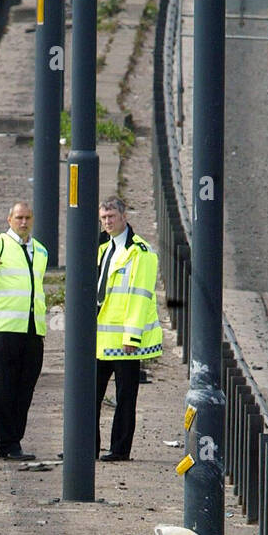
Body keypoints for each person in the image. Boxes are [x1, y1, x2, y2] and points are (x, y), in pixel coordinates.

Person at [0, 200, 48, 460]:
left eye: (27, 218)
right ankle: (7, 444)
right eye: (18, 218)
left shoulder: (40, 251)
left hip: (32, 330)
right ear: (9, 219)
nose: (23, 222)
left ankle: (15, 441)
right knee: (4, 388)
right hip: (2, 329)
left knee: (25, 388)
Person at [95, 196, 162, 461]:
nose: (107, 222)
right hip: (99, 337)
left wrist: (132, 336)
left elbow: (140, 296)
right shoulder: (101, 246)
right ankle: (87, 447)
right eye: (103, 218)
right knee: (90, 395)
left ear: (124, 217)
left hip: (124, 340)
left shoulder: (141, 252)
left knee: (125, 399)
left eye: (111, 217)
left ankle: (120, 450)